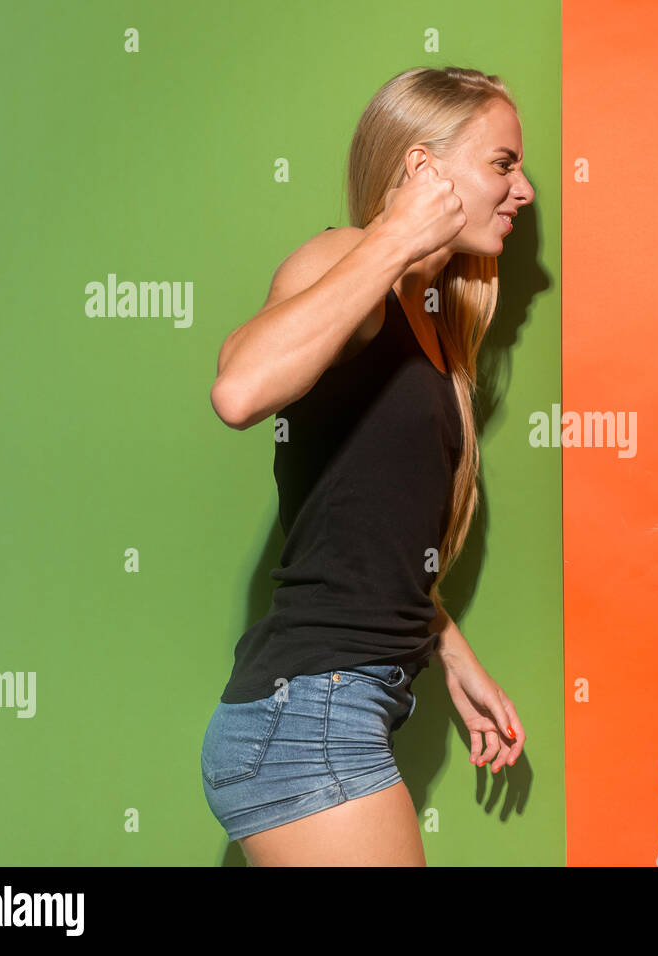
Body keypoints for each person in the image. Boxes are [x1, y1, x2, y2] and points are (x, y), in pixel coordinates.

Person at [200, 67, 534, 865]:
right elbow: (240, 390)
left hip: (337, 707)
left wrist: (451, 652)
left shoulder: (431, 332)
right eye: (502, 164)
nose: (522, 191)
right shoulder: (344, 258)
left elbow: (367, 526)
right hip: (308, 716)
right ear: (422, 168)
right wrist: (392, 235)